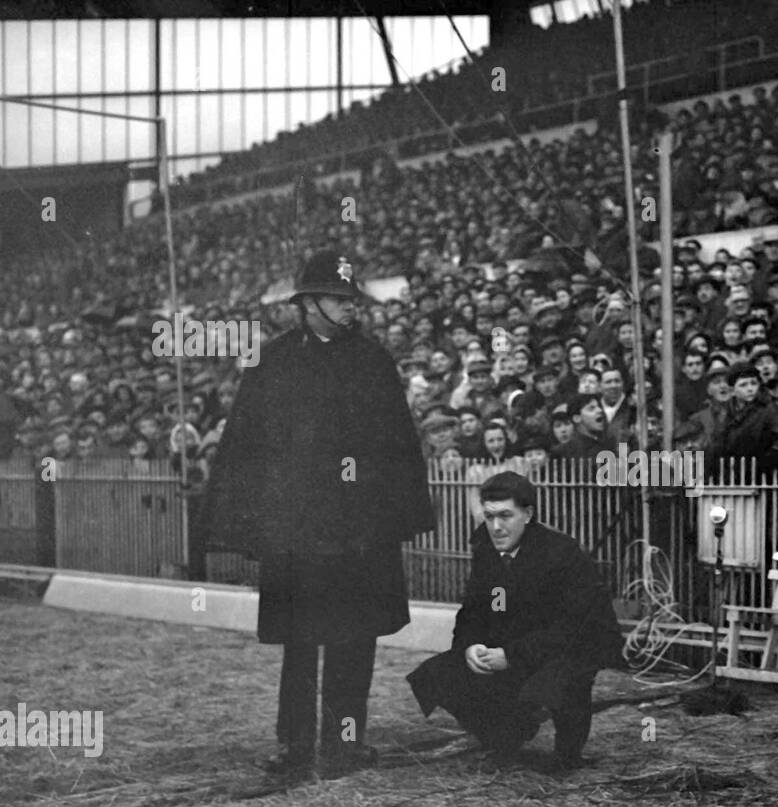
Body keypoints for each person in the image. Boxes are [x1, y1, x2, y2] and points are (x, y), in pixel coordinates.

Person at [203, 252, 435, 780]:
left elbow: (399, 444)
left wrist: (389, 516)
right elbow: (246, 448)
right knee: (300, 642)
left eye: (353, 299)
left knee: (355, 638)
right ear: (307, 304)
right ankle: (296, 745)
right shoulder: (273, 362)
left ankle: (345, 743)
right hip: (298, 534)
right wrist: (255, 525)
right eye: (338, 299)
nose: (350, 309)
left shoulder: (373, 360)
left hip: (358, 533)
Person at [406, 471, 623, 769]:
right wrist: (471, 648)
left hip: (571, 645)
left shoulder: (562, 553)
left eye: (506, 515)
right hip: (516, 646)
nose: (496, 526)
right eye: (489, 515)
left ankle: (568, 754)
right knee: (437, 673)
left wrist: (512, 655)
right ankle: (505, 740)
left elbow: (574, 626)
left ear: (528, 514)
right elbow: (472, 612)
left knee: (560, 678)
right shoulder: (485, 548)